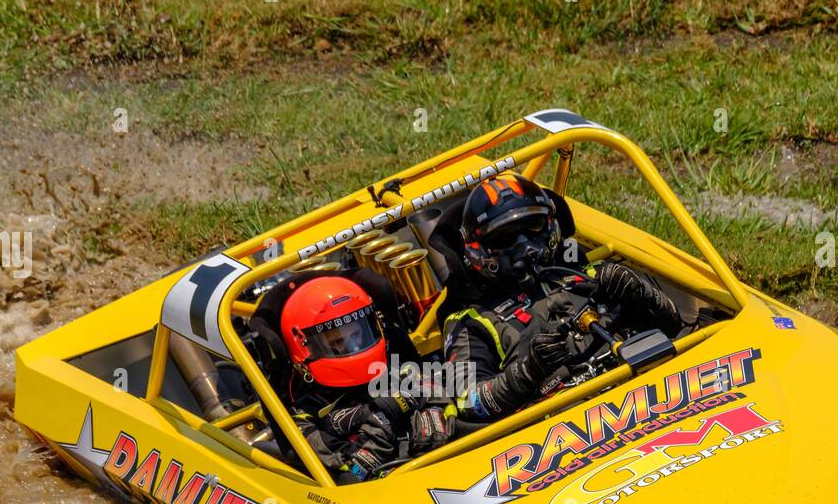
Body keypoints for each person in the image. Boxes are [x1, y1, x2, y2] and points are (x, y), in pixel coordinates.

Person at [438, 173, 682, 427]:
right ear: (480, 249)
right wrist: (528, 371)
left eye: (532, 227)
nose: (525, 245)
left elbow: (675, 324)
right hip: (561, 429)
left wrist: (641, 293)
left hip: (649, 390)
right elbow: (468, 402)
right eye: (505, 238)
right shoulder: (468, 322)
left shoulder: (593, 274)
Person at [277, 274, 446, 482]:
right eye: (338, 342)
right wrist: (380, 427)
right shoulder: (303, 407)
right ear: (304, 346)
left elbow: (438, 392)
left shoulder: (395, 351)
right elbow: (346, 477)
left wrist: (435, 413)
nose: (355, 348)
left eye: (358, 335)